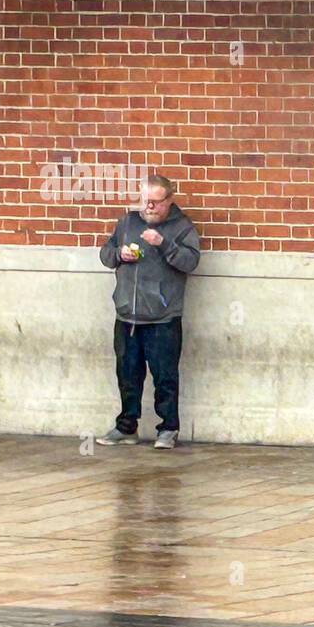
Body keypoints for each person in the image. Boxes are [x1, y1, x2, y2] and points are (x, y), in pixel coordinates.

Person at [95, 174, 201, 450]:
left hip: (162, 317)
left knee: (165, 376)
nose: (149, 207)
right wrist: (120, 254)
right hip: (127, 314)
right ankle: (126, 427)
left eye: (155, 202)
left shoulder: (181, 227)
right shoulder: (128, 222)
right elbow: (106, 254)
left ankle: (168, 428)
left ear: (169, 200)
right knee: (127, 374)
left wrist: (163, 243)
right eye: (145, 201)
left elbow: (191, 262)